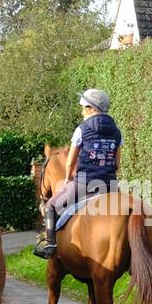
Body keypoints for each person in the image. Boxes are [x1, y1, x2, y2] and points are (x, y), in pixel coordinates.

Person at [33, 88, 121, 259]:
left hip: (85, 183)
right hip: (110, 185)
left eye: (83, 107)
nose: (81, 112)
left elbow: (70, 162)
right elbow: (117, 163)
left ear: (92, 108)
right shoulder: (117, 132)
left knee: (50, 206)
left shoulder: (82, 129)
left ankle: (50, 245)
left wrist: (67, 179)